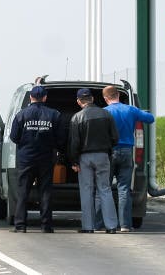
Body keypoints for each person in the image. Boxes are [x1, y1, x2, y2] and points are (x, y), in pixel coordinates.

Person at [8, 85, 65, 233]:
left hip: (26, 158)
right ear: (45, 98)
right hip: (46, 159)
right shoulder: (54, 115)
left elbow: (14, 137)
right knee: (45, 191)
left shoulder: (21, 115)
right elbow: (61, 139)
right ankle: (46, 225)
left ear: (31, 98)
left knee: (23, 191)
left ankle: (20, 225)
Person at [101, 84, 155, 232]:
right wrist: (139, 113)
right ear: (118, 95)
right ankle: (125, 225)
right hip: (127, 152)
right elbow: (150, 119)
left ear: (105, 98)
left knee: (104, 188)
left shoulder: (104, 112)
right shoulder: (130, 110)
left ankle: (100, 223)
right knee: (124, 189)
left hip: (109, 153)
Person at [68, 88, 119, 233]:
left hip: (84, 158)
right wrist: (107, 150)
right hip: (103, 156)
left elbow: (74, 143)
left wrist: (74, 161)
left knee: (86, 190)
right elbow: (115, 138)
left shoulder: (77, 117)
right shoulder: (106, 114)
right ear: (92, 99)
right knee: (105, 189)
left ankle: (88, 227)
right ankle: (111, 226)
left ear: (79, 101)